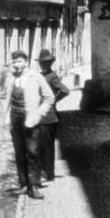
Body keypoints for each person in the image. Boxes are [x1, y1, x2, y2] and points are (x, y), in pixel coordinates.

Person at [0, 49, 54, 199]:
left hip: (30, 118)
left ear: (26, 62)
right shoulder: (10, 78)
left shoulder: (35, 77)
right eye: (14, 61)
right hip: (15, 117)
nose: (17, 64)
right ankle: (23, 185)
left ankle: (34, 186)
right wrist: (6, 118)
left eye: (20, 61)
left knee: (33, 152)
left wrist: (39, 114)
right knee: (19, 152)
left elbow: (49, 97)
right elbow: (5, 98)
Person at [36, 48, 69, 184]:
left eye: (46, 62)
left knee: (47, 146)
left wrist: (53, 100)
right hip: (41, 116)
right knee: (40, 145)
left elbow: (65, 90)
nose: (43, 65)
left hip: (49, 118)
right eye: (42, 62)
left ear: (50, 63)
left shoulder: (52, 76)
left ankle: (49, 174)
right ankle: (43, 171)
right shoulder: (42, 75)